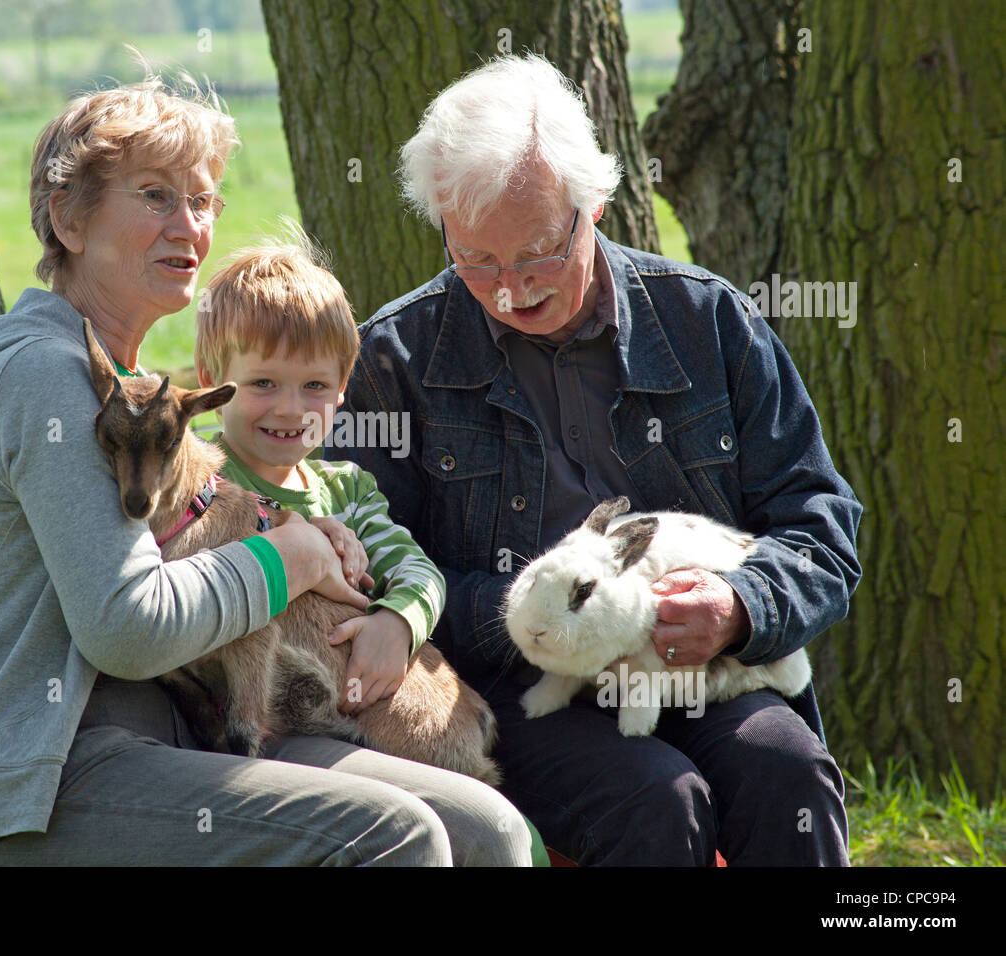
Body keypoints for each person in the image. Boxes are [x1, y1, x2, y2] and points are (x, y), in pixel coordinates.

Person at [0, 74, 530, 866]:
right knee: (395, 839)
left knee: (490, 831)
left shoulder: (118, 382)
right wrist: (291, 557)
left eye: (203, 204)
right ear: (67, 217)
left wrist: (297, 533)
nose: (190, 227)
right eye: (158, 196)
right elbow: (128, 630)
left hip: (167, 735)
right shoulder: (41, 375)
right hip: (30, 783)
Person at [339, 54, 864, 865]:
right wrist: (540, 617)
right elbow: (371, 574)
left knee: (784, 770)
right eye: (475, 260)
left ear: (597, 206)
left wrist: (740, 606)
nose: (510, 289)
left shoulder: (707, 321)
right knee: (656, 797)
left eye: (539, 254)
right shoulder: (394, 360)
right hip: (512, 690)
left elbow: (820, 525)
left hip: (699, 667)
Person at [194, 235, 548, 864]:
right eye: (263, 383)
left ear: (342, 386)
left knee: (490, 824)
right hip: (266, 717)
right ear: (209, 383)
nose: (289, 409)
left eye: (314, 386)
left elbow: (417, 571)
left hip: (361, 708)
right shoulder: (204, 477)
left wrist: (396, 620)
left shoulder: (346, 489)